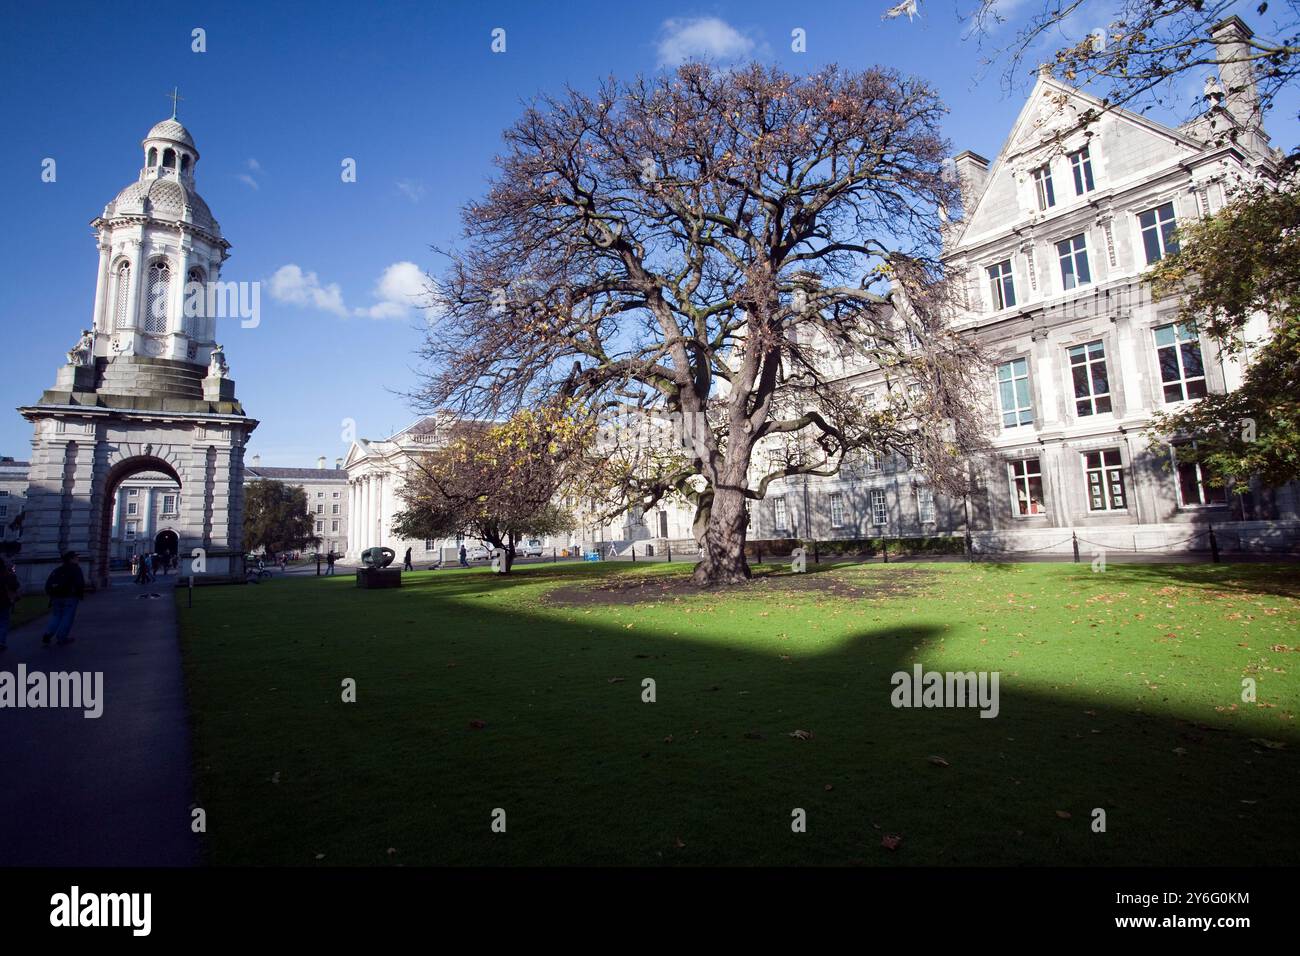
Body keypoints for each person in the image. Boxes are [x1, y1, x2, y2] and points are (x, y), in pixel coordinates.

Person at [41, 551, 85, 646]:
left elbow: (48, 583)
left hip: (56, 597)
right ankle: (62, 637)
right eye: (76, 557)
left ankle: (48, 633)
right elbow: (80, 583)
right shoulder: (75, 569)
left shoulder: (58, 570)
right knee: (67, 617)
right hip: (70, 597)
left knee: (56, 616)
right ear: (71, 559)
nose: (78, 559)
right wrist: (80, 594)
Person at [0, 556, 21, 652]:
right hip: (4, 601)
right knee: (4, 622)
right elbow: (16, 586)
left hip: (4, 601)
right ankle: (1, 642)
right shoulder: (8, 575)